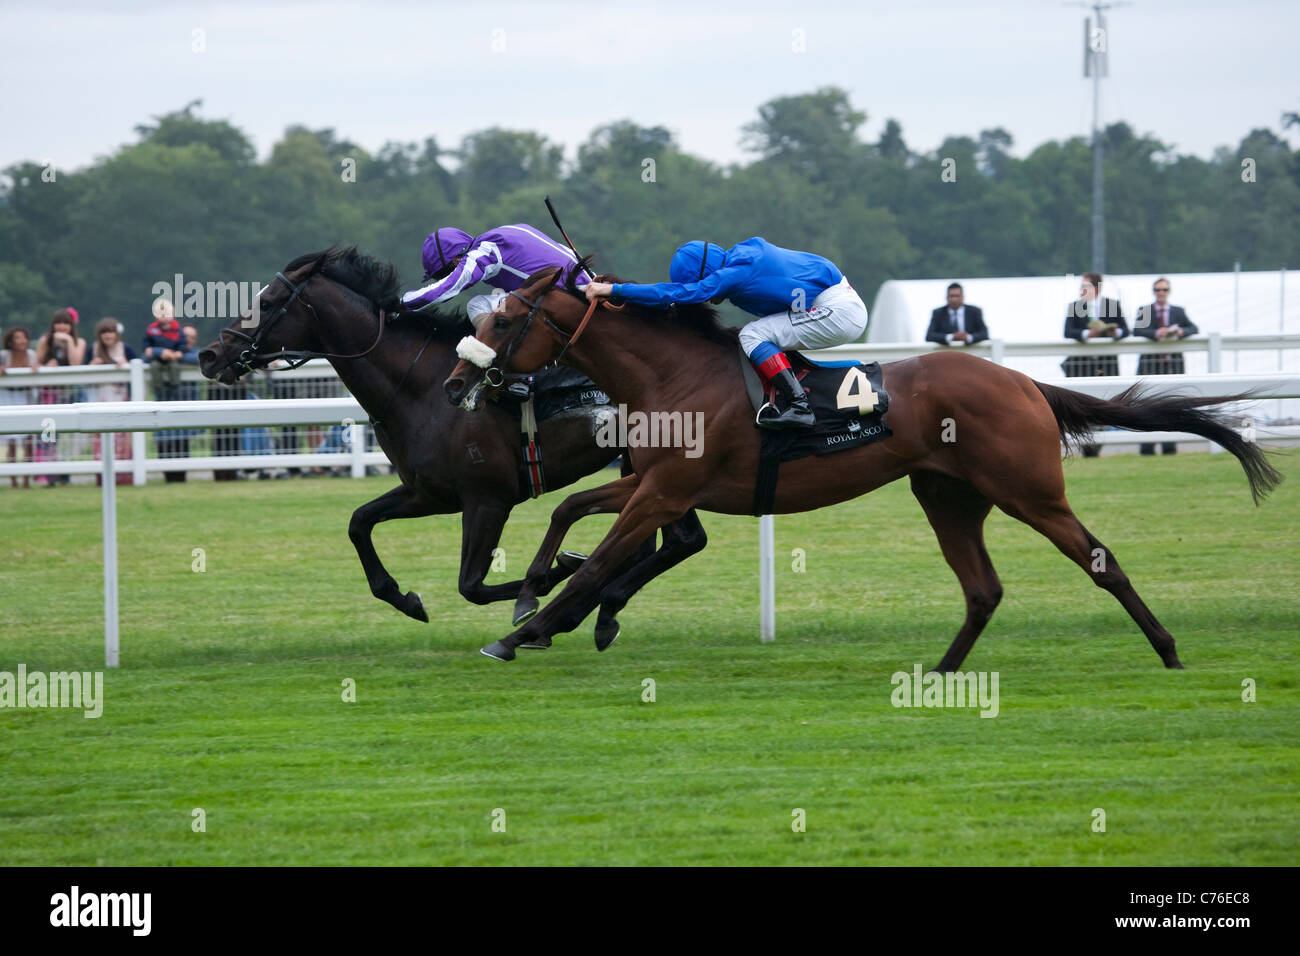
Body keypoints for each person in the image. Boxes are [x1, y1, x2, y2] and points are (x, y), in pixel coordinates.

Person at [584, 237, 869, 430]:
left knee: (753, 335)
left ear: (708, 272)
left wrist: (616, 290)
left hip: (839, 310)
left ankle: (799, 405)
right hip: (832, 300)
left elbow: (681, 293)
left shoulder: (735, 273)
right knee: (764, 334)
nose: (707, 300)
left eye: (705, 286)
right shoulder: (743, 254)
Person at [400, 223, 589, 327]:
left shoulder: (484, 251)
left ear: (456, 261)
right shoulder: (510, 230)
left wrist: (399, 304)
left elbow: (448, 287)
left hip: (567, 296)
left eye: (443, 273)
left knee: (478, 304)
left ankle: (503, 366)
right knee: (500, 296)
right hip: (589, 286)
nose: (444, 277)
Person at [1062, 273, 1129, 457]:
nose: (1081, 290)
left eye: (1085, 286)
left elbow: (1126, 330)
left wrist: (1115, 333)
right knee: (1082, 404)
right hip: (1082, 365)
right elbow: (1067, 331)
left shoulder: (1112, 305)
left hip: (1105, 364)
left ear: (1096, 288)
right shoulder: (1075, 306)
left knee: (1105, 403)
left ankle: (1097, 445)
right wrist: (1086, 335)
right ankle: (1087, 446)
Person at [1133, 277, 1198, 455]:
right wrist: (1156, 333)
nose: (1161, 293)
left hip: (1172, 365)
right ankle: (1147, 447)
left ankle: (1169, 447)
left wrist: (1180, 331)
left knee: (1172, 405)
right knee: (1146, 405)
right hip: (1150, 366)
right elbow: (1137, 330)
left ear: (1169, 291)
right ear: (1153, 291)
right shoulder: (1145, 310)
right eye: (1158, 290)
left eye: (1164, 290)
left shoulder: (1178, 311)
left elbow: (1193, 328)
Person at [143, 296, 189, 482]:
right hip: (158, 359)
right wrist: (158, 352)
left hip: (172, 360)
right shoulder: (152, 330)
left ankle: (173, 387)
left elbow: (183, 347)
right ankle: (160, 387)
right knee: (154, 367)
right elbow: (147, 347)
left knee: (174, 368)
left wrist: (176, 353)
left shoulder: (178, 331)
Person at [88, 317, 137, 484]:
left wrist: (125, 364)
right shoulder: (93, 350)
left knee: (122, 437)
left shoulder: (125, 349)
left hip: (121, 398)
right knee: (100, 438)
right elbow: (81, 371)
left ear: (116, 334)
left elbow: (138, 366)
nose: (108, 336)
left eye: (110, 332)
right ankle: (102, 478)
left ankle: (124, 477)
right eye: (104, 332)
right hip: (99, 399)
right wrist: (92, 366)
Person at [1, 327, 39, 488]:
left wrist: (37, 368)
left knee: (29, 440)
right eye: (18, 338)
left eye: (24, 337)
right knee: (11, 442)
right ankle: (13, 480)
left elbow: (38, 367)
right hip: (8, 398)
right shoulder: (4, 355)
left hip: (26, 398)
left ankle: (26, 480)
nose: (22, 341)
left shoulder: (31, 355)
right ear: (11, 340)